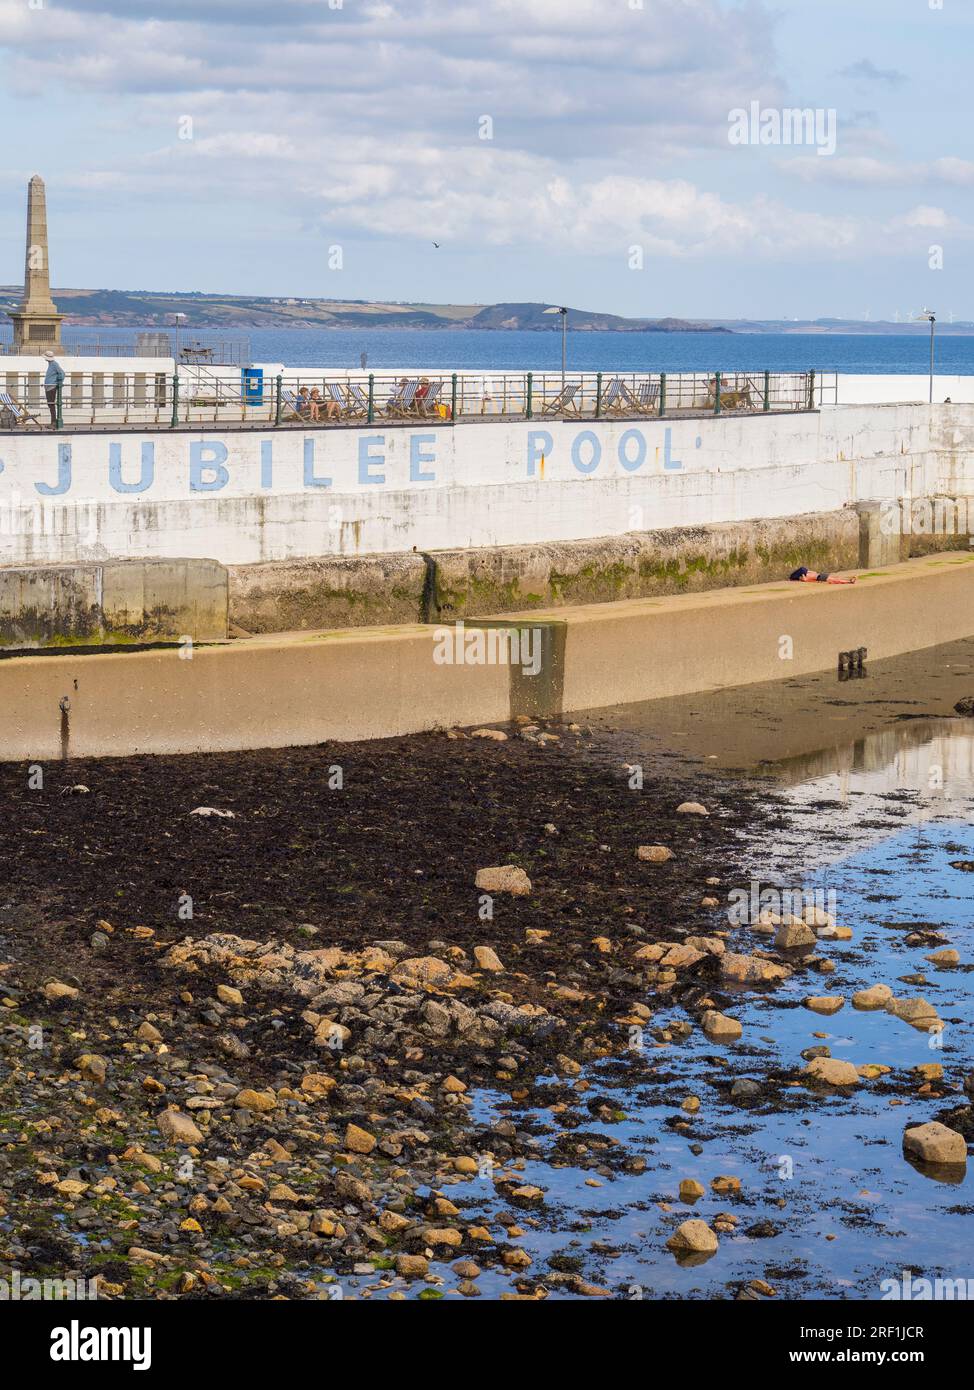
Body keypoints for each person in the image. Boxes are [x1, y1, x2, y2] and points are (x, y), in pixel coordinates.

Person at [43, 350, 64, 426]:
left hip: (51, 387)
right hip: (48, 387)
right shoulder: (51, 364)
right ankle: (53, 421)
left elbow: (62, 373)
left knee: (51, 404)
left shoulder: (54, 364)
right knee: (50, 404)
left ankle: (54, 422)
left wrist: (59, 382)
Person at [789, 566, 856, 585]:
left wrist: (803, 577)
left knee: (835, 580)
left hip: (820, 577)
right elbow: (806, 578)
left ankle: (849, 581)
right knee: (835, 579)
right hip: (820, 576)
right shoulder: (807, 572)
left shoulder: (805, 574)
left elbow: (805, 579)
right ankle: (849, 580)